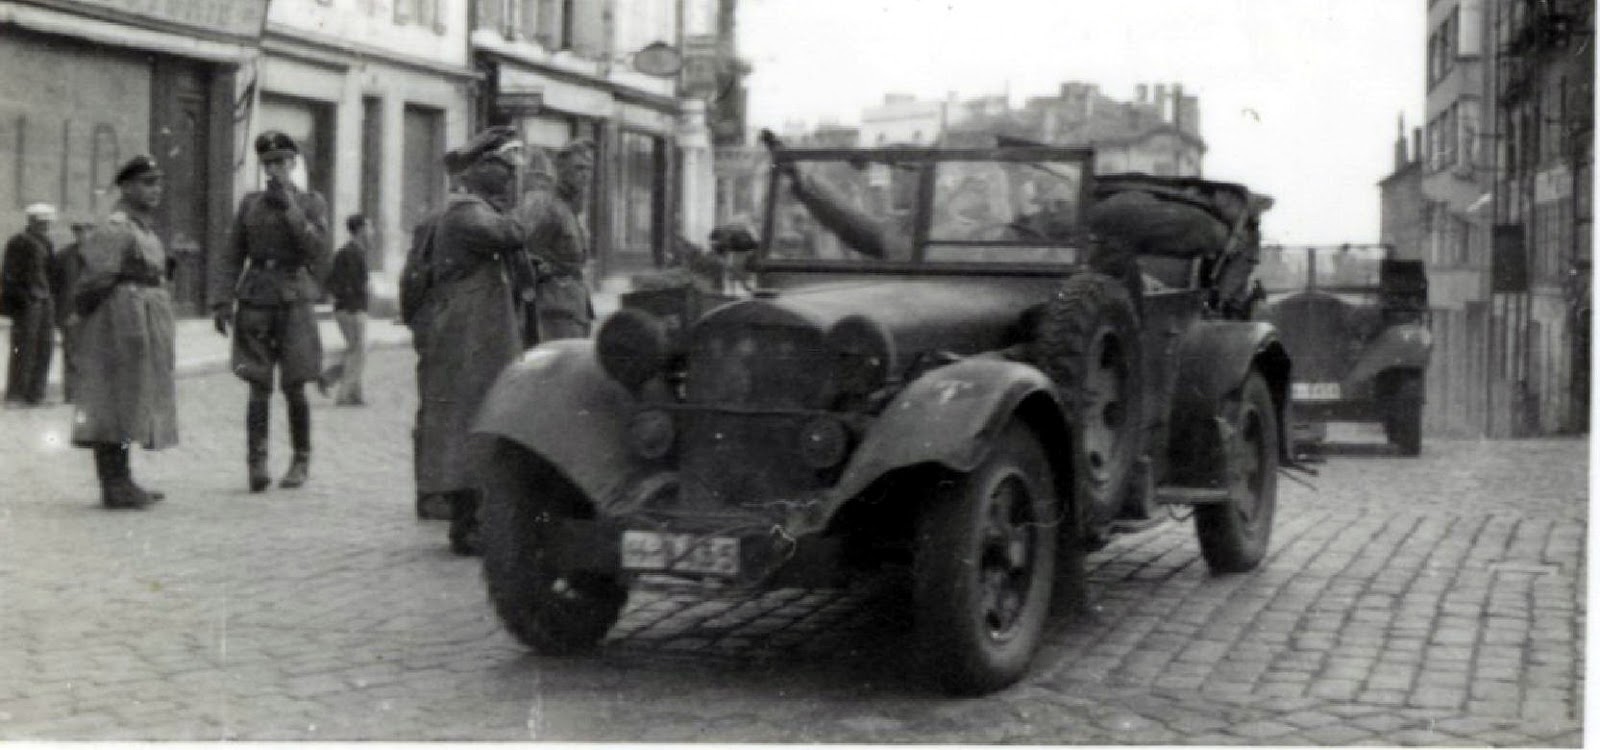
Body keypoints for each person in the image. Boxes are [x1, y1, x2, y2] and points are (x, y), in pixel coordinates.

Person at [414, 126, 527, 555]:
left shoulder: (474, 209)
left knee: (477, 417)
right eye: (505, 167)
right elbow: (512, 234)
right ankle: (466, 522)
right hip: (468, 336)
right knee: (469, 420)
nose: (511, 176)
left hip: (478, 334)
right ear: (484, 170)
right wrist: (524, 205)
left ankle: (472, 517)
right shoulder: (467, 213)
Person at [208, 131, 330, 492]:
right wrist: (221, 300)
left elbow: (316, 251)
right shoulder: (249, 204)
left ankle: (300, 458)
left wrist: (290, 209)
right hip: (257, 297)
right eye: (268, 163)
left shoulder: (311, 203)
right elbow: (232, 253)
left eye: (281, 162)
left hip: (294, 299)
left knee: (295, 384)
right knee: (258, 384)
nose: (275, 169)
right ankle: (257, 461)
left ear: (294, 164)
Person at [69, 156, 176, 509]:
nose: (156, 189)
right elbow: (95, 278)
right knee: (112, 398)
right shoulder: (116, 227)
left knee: (132, 397)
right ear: (126, 188)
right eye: (147, 183)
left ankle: (123, 479)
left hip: (137, 320)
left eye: (158, 182)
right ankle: (113, 484)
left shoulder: (141, 227)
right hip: (116, 321)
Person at [522, 138, 596, 341]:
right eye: (579, 169)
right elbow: (525, 254)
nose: (585, 175)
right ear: (561, 170)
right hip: (554, 310)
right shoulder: (546, 205)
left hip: (573, 305)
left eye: (589, 169)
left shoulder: (569, 207)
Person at [2, 203, 58, 406]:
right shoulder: (18, 242)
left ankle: (37, 393)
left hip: (45, 300)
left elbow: (51, 273)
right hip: (29, 302)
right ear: (31, 222)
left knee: (45, 347)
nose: (45, 227)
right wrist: (22, 299)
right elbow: (10, 274)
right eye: (41, 223)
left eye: (47, 223)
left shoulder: (47, 243)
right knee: (23, 348)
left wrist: (51, 297)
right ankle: (16, 394)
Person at [318, 214, 372, 406]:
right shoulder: (351, 253)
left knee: (357, 350)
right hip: (352, 308)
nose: (371, 231)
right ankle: (345, 394)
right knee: (357, 350)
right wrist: (351, 299)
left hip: (351, 307)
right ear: (360, 229)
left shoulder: (353, 251)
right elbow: (340, 282)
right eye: (369, 227)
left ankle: (348, 389)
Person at [49, 222, 92, 402]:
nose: (83, 235)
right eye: (79, 231)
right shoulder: (63, 257)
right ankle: (73, 394)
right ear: (74, 233)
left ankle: (91, 393)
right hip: (69, 311)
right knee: (72, 353)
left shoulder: (100, 256)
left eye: (87, 231)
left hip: (93, 311)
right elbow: (53, 286)